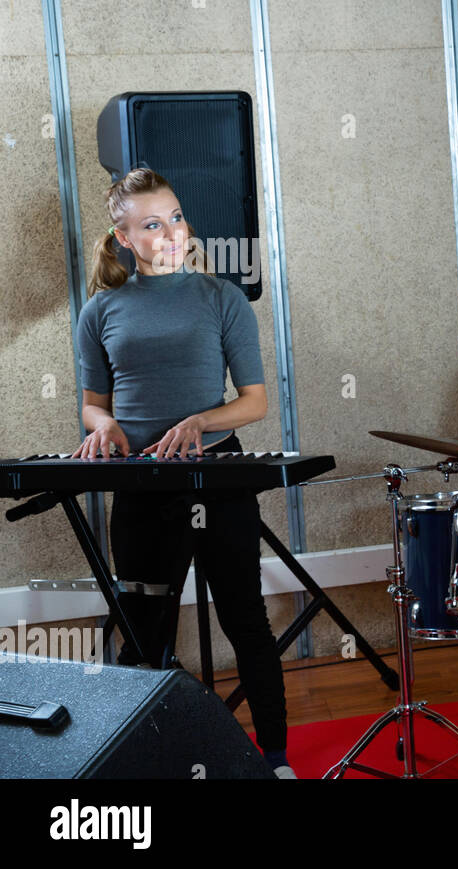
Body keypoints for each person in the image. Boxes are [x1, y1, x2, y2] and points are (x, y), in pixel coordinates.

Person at [73, 168, 294, 778]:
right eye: (150, 224)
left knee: (245, 619)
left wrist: (201, 420)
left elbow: (253, 401)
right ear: (123, 237)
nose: (170, 233)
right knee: (144, 628)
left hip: (216, 477)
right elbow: (94, 401)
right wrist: (103, 426)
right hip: (143, 485)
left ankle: (274, 760)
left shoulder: (221, 297)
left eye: (175, 217)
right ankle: (139, 762)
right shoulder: (101, 309)